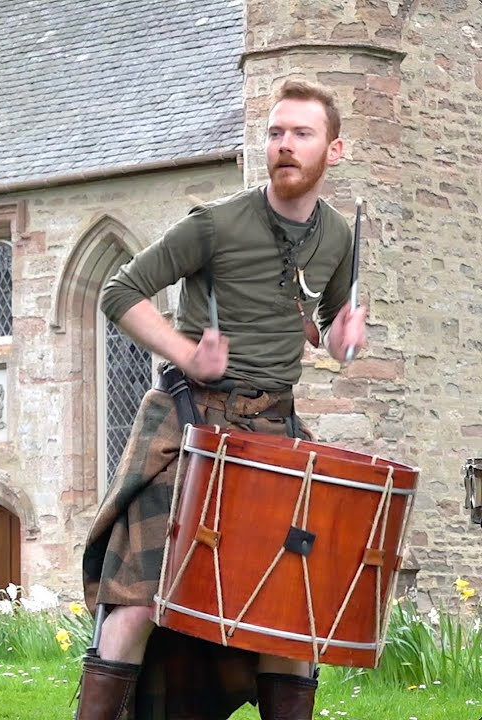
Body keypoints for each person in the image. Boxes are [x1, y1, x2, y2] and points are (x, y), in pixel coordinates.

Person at [76, 79, 368, 720]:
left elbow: (323, 321)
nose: (284, 146)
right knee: (134, 603)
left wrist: (342, 340)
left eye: (301, 134)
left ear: (335, 149)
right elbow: (119, 293)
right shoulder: (216, 224)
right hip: (189, 429)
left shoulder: (338, 238)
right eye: (275, 133)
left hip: (274, 435)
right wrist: (186, 355)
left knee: (291, 620)